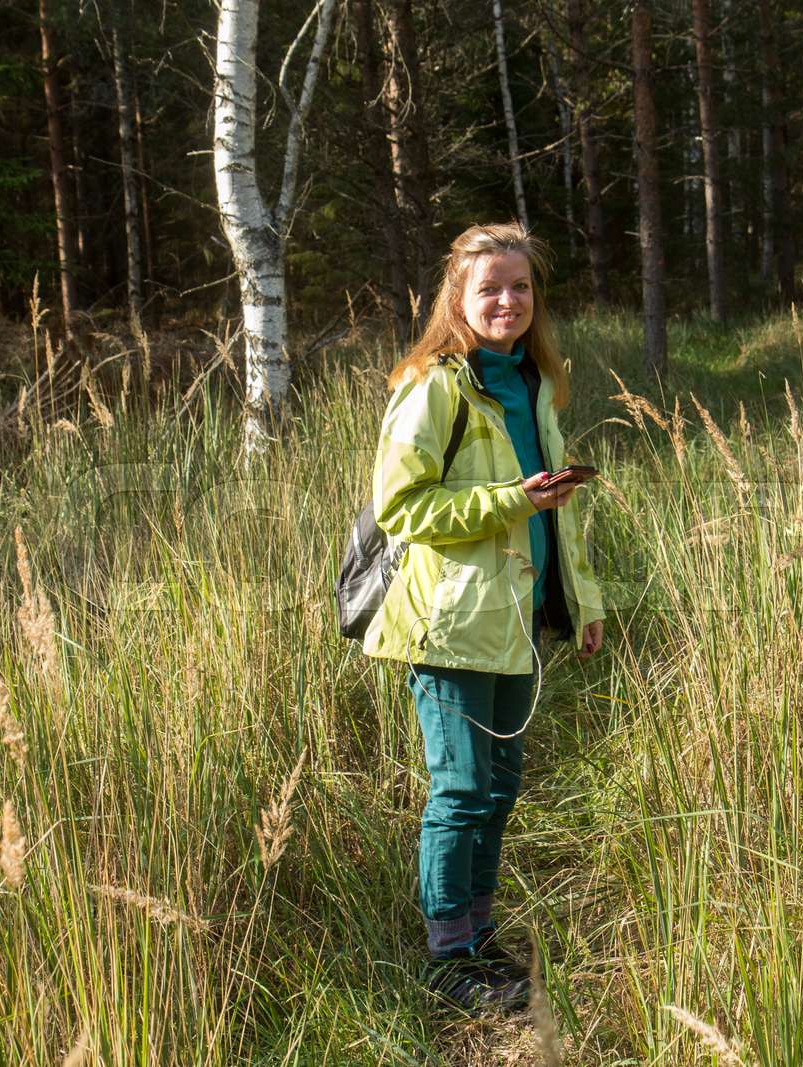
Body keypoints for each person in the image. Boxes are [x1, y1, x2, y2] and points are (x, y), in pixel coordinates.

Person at [364, 222, 606, 1013]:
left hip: (517, 620)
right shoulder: (434, 383)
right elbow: (400, 506)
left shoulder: (535, 380)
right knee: (462, 790)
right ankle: (448, 959)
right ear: (458, 300)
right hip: (450, 625)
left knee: (499, 789)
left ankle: (478, 935)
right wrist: (513, 499)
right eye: (490, 288)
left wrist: (586, 601)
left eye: (522, 286)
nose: (508, 300)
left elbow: (557, 515)